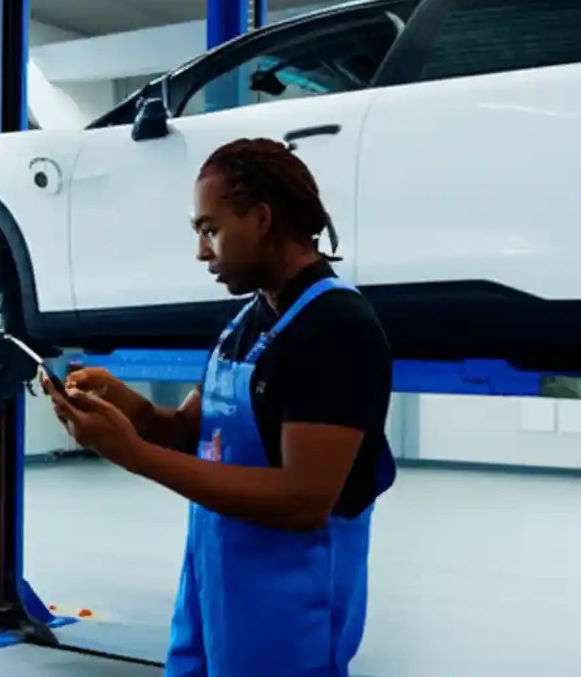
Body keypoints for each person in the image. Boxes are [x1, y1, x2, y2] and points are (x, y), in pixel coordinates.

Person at [42, 137, 396, 676]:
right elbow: (189, 431)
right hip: (213, 597)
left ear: (260, 218)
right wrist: (128, 409)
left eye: (209, 230)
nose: (202, 251)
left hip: (288, 626)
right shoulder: (246, 323)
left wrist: (133, 454)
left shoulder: (336, 329)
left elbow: (304, 499)